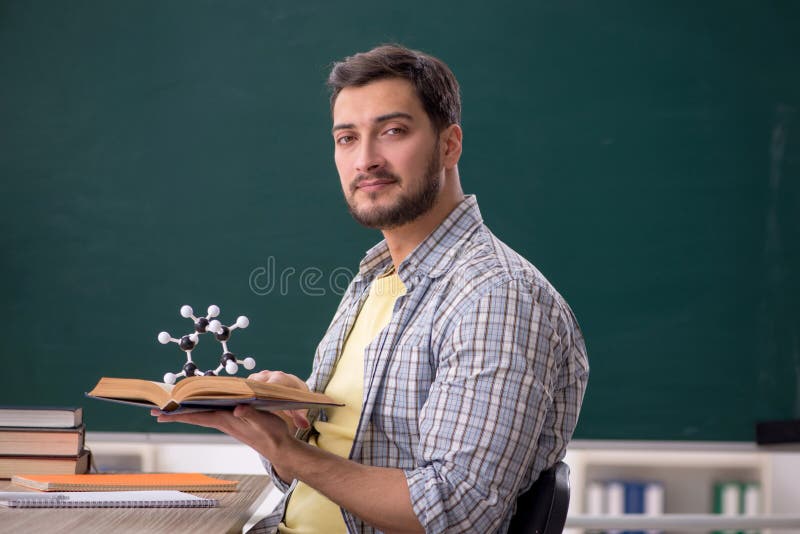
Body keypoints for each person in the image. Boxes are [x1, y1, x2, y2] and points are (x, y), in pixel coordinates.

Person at [154, 44, 589, 534]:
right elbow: (320, 488)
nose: (365, 159)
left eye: (393, 131)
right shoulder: (375, 279)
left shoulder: (495, 296)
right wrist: (295, 427)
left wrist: (291, 454)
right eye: (346, 138)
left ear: (450, 145)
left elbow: (455, 512)